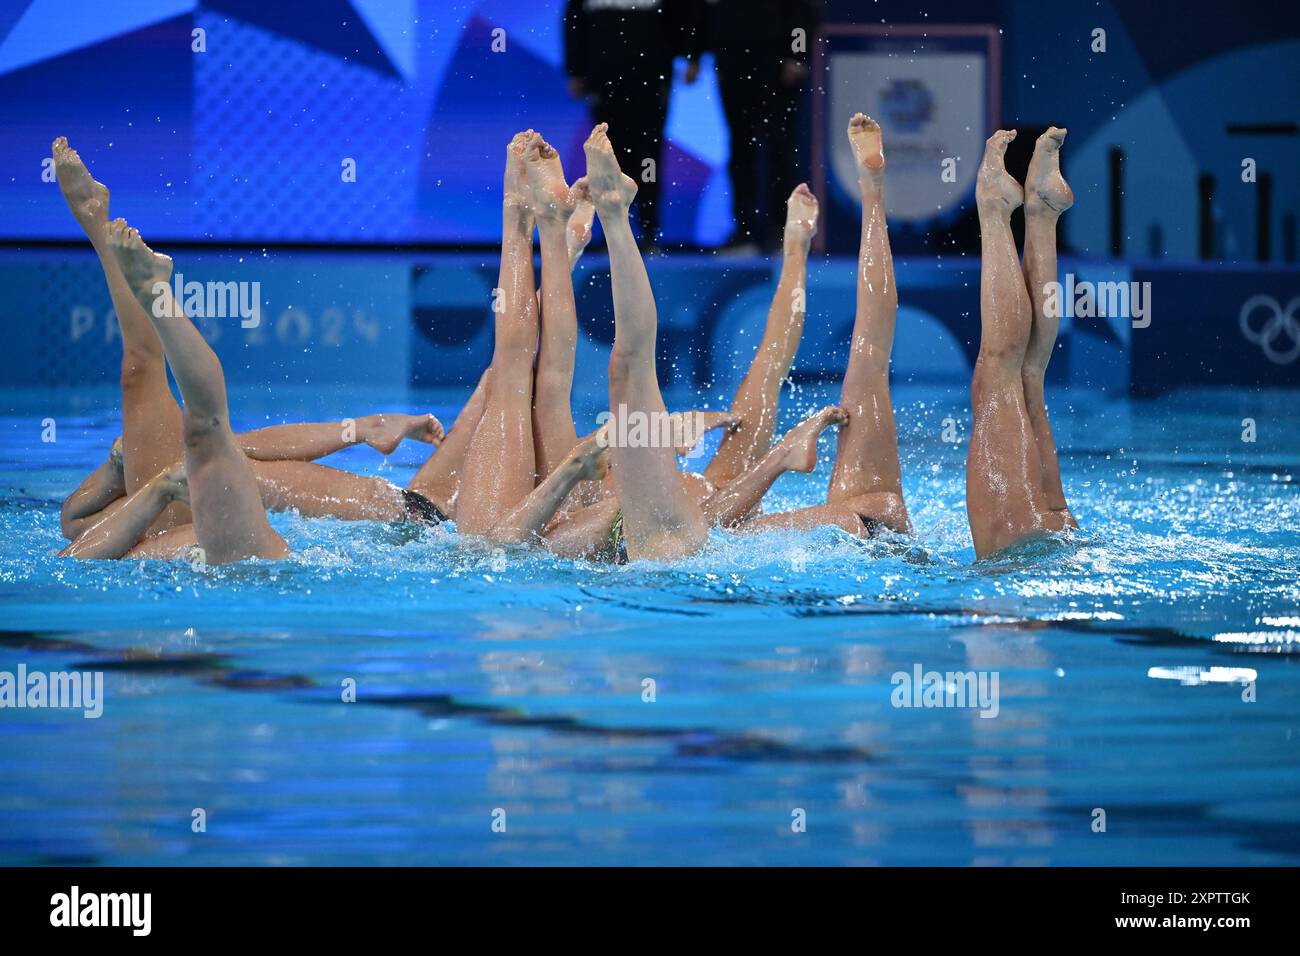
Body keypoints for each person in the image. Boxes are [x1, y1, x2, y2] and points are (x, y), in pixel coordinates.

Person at [51, 137, 449, 552]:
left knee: (173, 421)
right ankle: (127, 262)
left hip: (386, 521)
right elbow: (77, 522)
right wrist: (358, 429)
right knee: (188, 431)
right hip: (378, 516)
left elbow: (77, 533)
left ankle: (110, 241)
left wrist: (121, 465)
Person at [965, 127, 1078, 558]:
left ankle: (1043, 213)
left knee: (1030, 374)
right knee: (1000, 372)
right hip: (1024, 543)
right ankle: (995, 209)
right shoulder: (1005, 616)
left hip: (1061, 531)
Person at [563, 0, 701, 250]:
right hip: (604, 72)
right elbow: (575, 20)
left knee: (648, 151)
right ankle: (611, 230)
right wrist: (575, 70)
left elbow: (682, 16)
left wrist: (690, 56)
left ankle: (649, 230)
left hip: (650, 72)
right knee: (606, 153)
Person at [704, 0, 822, 254]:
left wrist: (796, 54)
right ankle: (743, 230)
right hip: (732, 56)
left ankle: (781, 228)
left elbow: (804, 8)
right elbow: (709, 9)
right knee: (739, 146)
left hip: (777, 60)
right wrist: (704, 50)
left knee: (780, 146)